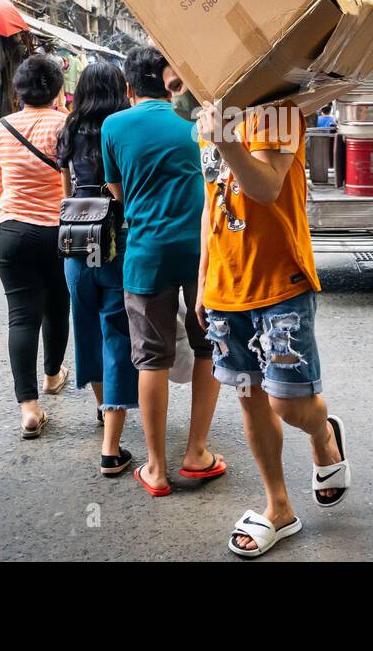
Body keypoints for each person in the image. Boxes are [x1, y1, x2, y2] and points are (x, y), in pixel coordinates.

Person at [196, 98, 349, 558]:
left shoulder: (279, 111)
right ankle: (278, 507)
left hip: (281, 282)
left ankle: (323, 435)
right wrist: (203, 278)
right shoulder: (206, 114)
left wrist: (225, 139)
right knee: (249, 398)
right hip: (226, 286)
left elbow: (264, 187)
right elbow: (212, 200)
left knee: (287, 401)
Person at [101, 47, 222, 496]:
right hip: (200, 250)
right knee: (207, 344)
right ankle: (197, 453)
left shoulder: (114, 126)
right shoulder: (194, 125)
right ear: (172, 80)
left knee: (151, 357)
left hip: (146, 250)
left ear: (130, 88)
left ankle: (155, 468)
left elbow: (117, 192)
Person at [57, 61, 139, 476]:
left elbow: (64, 193)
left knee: (86, 326)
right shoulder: (122, 128)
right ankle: (111, 447)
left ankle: (104, 406)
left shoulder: (68, 130)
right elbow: (124, 189)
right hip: (116, 237)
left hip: (75, 238)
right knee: (117, 332)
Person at [0, 55, 71, 439]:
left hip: (14, 233)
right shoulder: (65, 124)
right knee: (58, 305)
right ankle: (53, 376)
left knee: (21, 317)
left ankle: (29, 409)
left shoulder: (0, 128)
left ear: (19, 91)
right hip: (58, 232)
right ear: (56, 91)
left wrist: (17, 207)